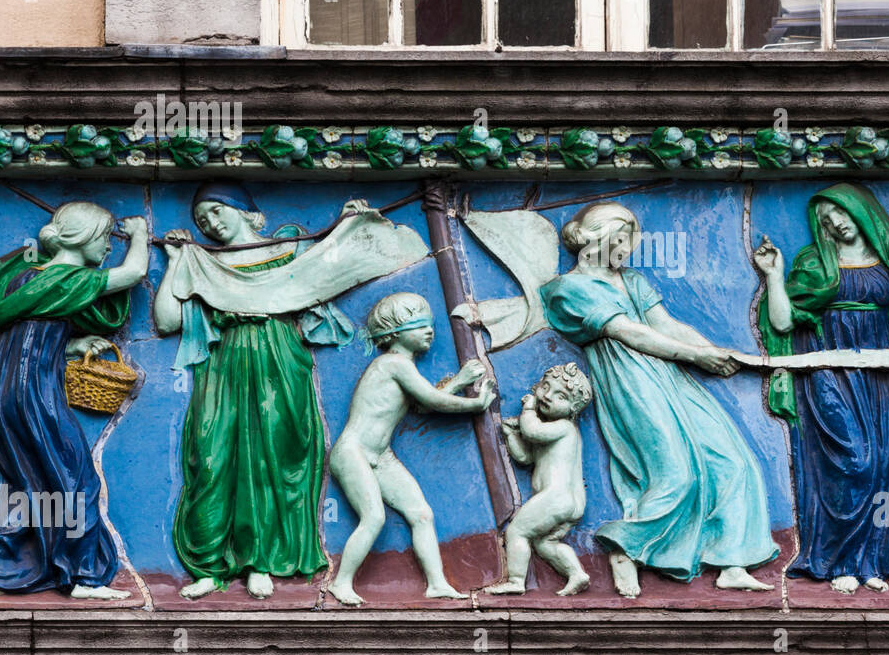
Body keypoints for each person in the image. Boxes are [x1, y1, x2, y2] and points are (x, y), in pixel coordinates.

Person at [539, 203, 779, 598]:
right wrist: (697, 357)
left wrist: (719, 352)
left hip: (670, 376)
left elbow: (665, 324)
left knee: (733, 461)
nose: (625, 249)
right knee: (675, 473)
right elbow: (630, 333)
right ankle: (625, 549)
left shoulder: (630, 280)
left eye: (628, 242)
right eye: (618, 240)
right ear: (594, 237)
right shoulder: (568, 290)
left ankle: (732, 562)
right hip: (629, 380)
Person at [155, 183, 362, 600]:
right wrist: (177, 260)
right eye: (201, 220)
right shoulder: (205, 262)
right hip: (225, 365)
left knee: (273, 454)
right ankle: (211, 565)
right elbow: (166, 321)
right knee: (211, 457)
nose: (210, 224)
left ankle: (260, 560)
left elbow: (333, 267)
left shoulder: (289, 250)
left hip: (278, 359)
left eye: (216, 211)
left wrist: (350, 225)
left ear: (247, 212)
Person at [753, 179, 889, 593]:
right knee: (852, 460)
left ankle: (873, 559)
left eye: (840, 211)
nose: (835, 222)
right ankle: (838, 558)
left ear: (860, 211)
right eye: (825, 219)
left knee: (887, 462)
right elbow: (784, 322)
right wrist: (773, 275)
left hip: (880, 372)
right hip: (827, 366)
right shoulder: (814, 262)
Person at [0, 201, 148, 599]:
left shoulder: (25, 279)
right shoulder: (68, 278)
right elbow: (134, 273)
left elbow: (30, 335)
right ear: (84, 237)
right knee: (77, 479)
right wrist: (140, 232)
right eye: (106, 238)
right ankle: (83, 575)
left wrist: (72, 344)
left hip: (0, 392)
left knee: (32, 483)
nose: (109, 247)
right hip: (34, 393)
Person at [326, 292, 495, 606]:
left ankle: (437, 583)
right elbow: (431, 400)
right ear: (394, 334)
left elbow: (421, 403)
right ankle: (341, 583)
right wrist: (476, 403)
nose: (429, 331)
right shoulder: (392, 363)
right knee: (373, 517)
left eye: (429, 325)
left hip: (380, 455)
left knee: (421, 513)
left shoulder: (404, 369)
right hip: (354, 452)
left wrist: (458, 381)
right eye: (419, 326)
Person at [484, 362, 593, 597]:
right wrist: (512, 435)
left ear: (573, 410)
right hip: (568, 504)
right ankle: (576, 573)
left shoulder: (564, 428)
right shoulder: (555, 435)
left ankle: (515, 581)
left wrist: (529, 410)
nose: (548, 396)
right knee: (545, 544)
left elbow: (533, 431)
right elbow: (526, 457)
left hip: (555, 498)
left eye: (561, 396)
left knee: (517, 533)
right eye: (546, 387)